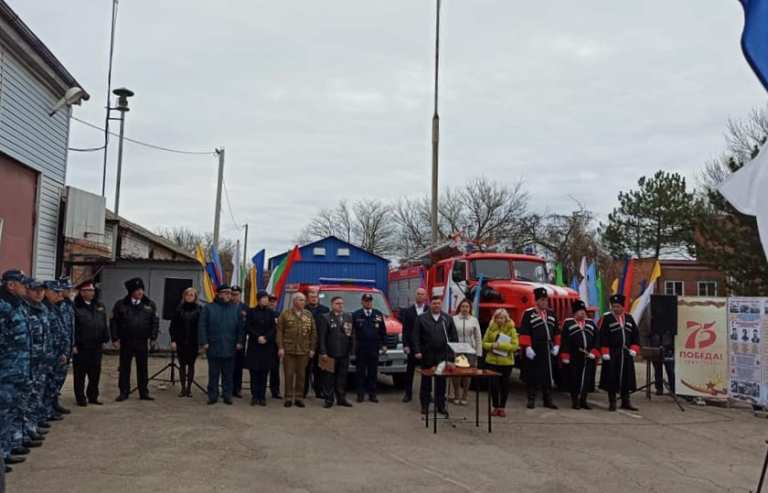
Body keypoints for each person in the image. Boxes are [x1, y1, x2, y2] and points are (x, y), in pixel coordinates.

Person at [0, 271, 34, 472]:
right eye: (22, 284)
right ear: (11, 285)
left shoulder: (17, 304)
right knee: (2, 415)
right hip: (5, 373)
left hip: (18, 370)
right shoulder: (2, 307)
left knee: (12, 413)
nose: (26, 288)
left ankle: (7, 451)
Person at [110, 278, 159, 402]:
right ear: (131, 291)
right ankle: (123, 392)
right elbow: (114, 322)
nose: (140, 292)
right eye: (137, 290)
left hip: (142, 341)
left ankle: (144, 392)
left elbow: (155, 322)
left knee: (143, 367)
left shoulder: (149, 304)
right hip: (126, 341)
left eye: (142, 289)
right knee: (124, 367)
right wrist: (115, 338)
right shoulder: (121, 304)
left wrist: (153, 338)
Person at [412, 295, 458, 416]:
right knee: (426, 382)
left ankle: (441, 406)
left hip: (443, 356)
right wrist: (417, 351)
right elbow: (415, 336)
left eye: (438, 303)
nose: (436, 305)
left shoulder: (447, 318)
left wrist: (452, 354)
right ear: (430, 304)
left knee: (441, 383)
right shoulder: (421, 318)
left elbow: (454, 337)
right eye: (434, 303)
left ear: (441, 304)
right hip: (427, 355)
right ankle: (425, 406)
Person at [198, 285, 244, 405]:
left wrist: (239, 341)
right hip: (213, 345)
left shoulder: (235, 309)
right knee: (213, 373)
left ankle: (227, 395)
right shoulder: (209, 308)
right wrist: (204, 342)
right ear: (219, 294)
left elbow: (240, 328)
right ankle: (212, 395)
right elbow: (202, 326)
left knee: (228, 373)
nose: (229, 295)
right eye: (226, 293)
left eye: (230, 293)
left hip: (230, 345)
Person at [518, 287, 560, 409]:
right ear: (536, 301)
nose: (544, 302)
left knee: (548, 374)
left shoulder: (551, 314)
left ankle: (548, 399)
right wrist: (527, 347)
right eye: (542, 300)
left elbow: (556, 331)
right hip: (534, 348)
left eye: (546, 300)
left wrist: (557, 345)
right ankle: (531, 399)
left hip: (548, 348)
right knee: (533, 374)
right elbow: (524, 331)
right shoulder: (529, 314)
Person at [598, 294, 641, 411]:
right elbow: (602, 336)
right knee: (612, 377)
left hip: (626, 353)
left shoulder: (629, 318)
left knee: (626, 378)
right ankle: (612, 402)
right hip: (612, 353)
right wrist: (605, 351)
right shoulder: (606, 318)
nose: (615, 309)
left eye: (618, 307)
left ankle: (626, 401)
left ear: (623, 307)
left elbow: (636, 335)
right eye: (614, 306)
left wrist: (634, 348)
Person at [72, 282, 110, 406]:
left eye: (93, 290)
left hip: (96, 345)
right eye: (88, 290)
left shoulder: (99, 306)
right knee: (80, 374)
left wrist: (105, 339)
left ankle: (93, 396)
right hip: (82, 346)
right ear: (82, 292)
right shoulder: (75, 307)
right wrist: (73, 344)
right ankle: (80, 398)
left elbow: (103, 324)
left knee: (95, 373)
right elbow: (72, 327)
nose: (91, 293)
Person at [21, 280, 49, 446]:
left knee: (35, 396)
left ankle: (30, 428)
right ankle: (22, 435)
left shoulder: (42, 308)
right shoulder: (24, 308)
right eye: (35, 290)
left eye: (42, 290)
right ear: (27, 291)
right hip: (26, 362)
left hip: (40, 360)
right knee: (24, 399)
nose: (39, 293)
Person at [277, 293, 316, 408]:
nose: (303, 302)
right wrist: (280, 347)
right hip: (289, 350)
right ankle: (288, 397)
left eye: (304, 300)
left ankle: (299, 397)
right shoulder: (285, 314)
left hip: (304, 350)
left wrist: (312, 348)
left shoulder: (308, 315)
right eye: (301, 300)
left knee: (301, 375)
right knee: (288, 374)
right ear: (294, 301)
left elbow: (313, 333)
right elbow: (280, 332)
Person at [560, 300, 600, 410]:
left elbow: (597, 339)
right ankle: (575, 401)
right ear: (574, 313)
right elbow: (564, 341)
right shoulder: (568, 323)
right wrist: (565, 356)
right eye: (579, 311)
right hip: (574, 356)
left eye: (583, 311)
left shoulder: (591, 323)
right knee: (575, 379)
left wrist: (594, 352)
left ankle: (584, 400)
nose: (582, 313)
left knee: (587, 379)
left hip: (588, 356)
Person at [481, 308, 519, 417]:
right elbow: (484, 343)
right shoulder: (490, 328)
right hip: (492, 361)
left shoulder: (511, 329)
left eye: (502, 318)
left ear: (506, 318)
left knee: (504, 385)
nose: (500, 320)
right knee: (493, 385)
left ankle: (502, 407)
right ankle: (495, 406)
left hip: (506, 363)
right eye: (497, 318)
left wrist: (500, 345)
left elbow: (515, 346)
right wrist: (492, 345)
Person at [318, 296, 354, 409]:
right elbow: (322, 337)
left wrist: (351, 350)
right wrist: (323, 352)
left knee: (342, 377)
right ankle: (329, 400)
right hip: (329, 354)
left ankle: (341, 398)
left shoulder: (348, 316)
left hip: (344, 353)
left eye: (342, 303)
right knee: (328, 378)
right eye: (338, 303)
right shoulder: (325, 317)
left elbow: (351, 335)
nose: (340, 305)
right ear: (332, 305)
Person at [243, 291, 277, 406]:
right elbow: (248, 327)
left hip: (267, 347)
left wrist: (266, 337)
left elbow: (273, 328)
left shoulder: (271, 313)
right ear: (258, 300)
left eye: (267, 298)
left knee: (264, 372)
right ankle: (254, 396)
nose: (266, 300)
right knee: (254, 372)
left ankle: (262, 396)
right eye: (264, 298)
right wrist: (257, 337)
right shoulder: (251, 312)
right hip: (254, 346)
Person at [352, 293, 387, 403]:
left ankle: (372, 394)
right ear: (362, 302)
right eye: (366, 301)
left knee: (373, 372)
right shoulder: (356, 315)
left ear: (372, 302)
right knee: (360, 372)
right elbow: (352, 332)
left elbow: (383, 331)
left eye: (370, 301)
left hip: (374, 347)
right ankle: (360, 395)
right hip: (361, 348)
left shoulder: (378, 314)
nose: (368, 303)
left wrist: (384, 345)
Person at [169, 287, 201, 398]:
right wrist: (173, 340)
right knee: (182, 365)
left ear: (195, 297)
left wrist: (201, 342)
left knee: (191, 365)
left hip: (193, 342)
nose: (189, 296)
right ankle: (182, 389)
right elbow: (173, 326)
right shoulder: (178, 309)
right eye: (187, 294)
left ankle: (189, 389)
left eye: (192, 295)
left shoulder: (199, 309)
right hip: (181, 342)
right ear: (184, 296)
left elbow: (201, 327)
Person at [451, 298, 482, 405]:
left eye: (467, 307)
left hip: (470, 350)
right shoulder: (454, 319)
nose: (465, 309)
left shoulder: (474, 320)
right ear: (459, 307)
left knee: (467, 374)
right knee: (457, 373)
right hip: (457, 349)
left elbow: (478, 337)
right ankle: (456, 394)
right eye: (463, 306)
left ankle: (465, 395)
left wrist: (478, 352)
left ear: (470, 308)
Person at [401, 287, 428, 403]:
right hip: (412, 346)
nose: (420, 296)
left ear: (425, 297)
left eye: (422, 294)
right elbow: (405, 330)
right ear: (415, 296)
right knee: (409, 371)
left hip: (426, 347)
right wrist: (405, 345)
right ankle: (408, 393)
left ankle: (427, 394)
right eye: (418, 294)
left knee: (426, 372)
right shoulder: (408, 311)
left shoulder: (429, 310)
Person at [304, 288, 329, 399]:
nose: (314, 299)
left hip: (321, 344)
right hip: (306, 344)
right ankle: (303, 392)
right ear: (308, 298)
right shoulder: (304, 309)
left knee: (321, 370)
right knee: (305, 369)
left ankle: (320, 391)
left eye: (316, 297)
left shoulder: (325, 310)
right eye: (312, 297)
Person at [230, 286, 247, 399]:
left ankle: (238, 388)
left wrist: (241, 341)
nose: (235, 296)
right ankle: (228, 388)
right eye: (233, 294)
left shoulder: (245, 307)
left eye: (237, 294)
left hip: (241, 341)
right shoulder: (228, 306)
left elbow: (246, 325)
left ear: (240, 295)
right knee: (228, 366)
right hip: (229, 341)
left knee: (239, 366)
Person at [267, 295, 281, 399]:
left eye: (274, 302)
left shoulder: (279, 315)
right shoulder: (263, 313)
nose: (272, 303)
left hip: (275, 345)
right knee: (262, 369)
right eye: (270, 301)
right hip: (264, 345)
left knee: (275, 370)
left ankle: (275, 391)